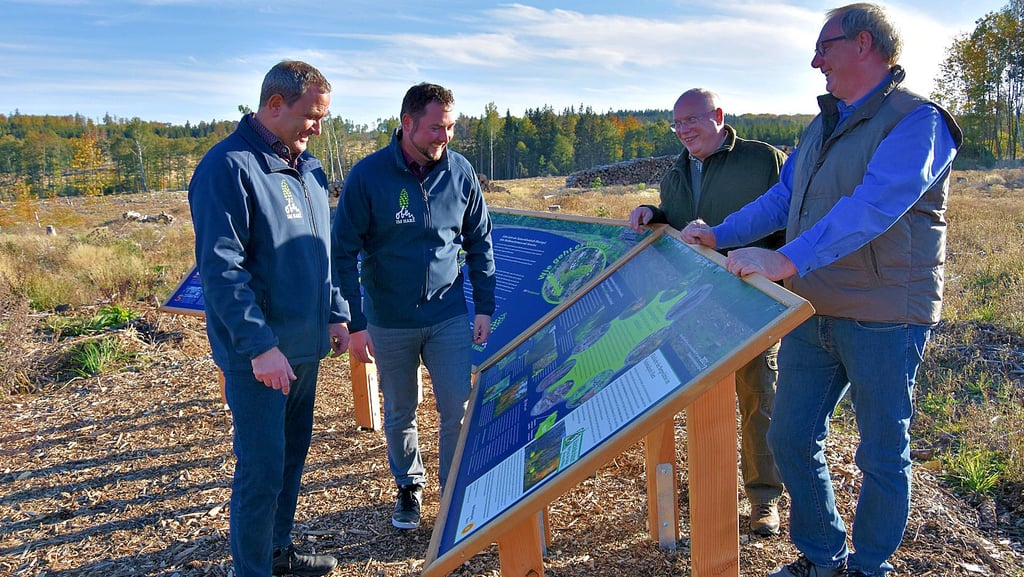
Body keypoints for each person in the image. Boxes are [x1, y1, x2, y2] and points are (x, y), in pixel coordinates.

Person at [682, 4, 962, 576]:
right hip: (813, 310)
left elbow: (872, 209)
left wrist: (785, 258)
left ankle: (869, 565)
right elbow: (784, 199)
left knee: (882, 451)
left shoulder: (918, 123)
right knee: (789, 438)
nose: (815, 61)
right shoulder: (823, 125)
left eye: (823, 47)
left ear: (864, 44)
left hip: (885, 315)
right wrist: (719, 233)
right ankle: (821, 555)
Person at [189, 60, 350, 577]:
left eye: (323, 117)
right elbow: (222, 270)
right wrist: (260, 346)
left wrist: (335, 313)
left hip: (304, 348)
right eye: (312, 116)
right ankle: (253, 569)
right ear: (274, 105)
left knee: (289, 462)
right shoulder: (228, 167)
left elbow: (321, 251)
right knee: (260, 472)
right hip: (261, 357)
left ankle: (278, 553)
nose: (318, 127)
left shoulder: (309, 168)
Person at [332, 82, 496, 531]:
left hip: (447, 317)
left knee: (456, 409)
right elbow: (342, 252)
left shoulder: (460, 172)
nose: (444, 138)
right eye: (435, 128)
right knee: (400, 409)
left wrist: (484, 305)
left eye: (450, 128)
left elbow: (480, 241)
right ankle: (408, 486)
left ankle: (454, 494)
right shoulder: (368, 177)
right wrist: (358, 323)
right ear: (407, 124)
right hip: (390, 320)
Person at [628, 88, 788, 536]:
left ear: (718, 116)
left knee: (757, 398)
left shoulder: (763, 160)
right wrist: (654, 211)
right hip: (693, 305)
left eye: (692, 121)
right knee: (703, 400)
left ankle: (763, 498)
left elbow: (790, 219)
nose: (684, 132)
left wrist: (773, 273)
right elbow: (681, 223)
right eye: (677, 125)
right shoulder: (675, 173)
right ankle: (711, 490)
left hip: (752, 300)